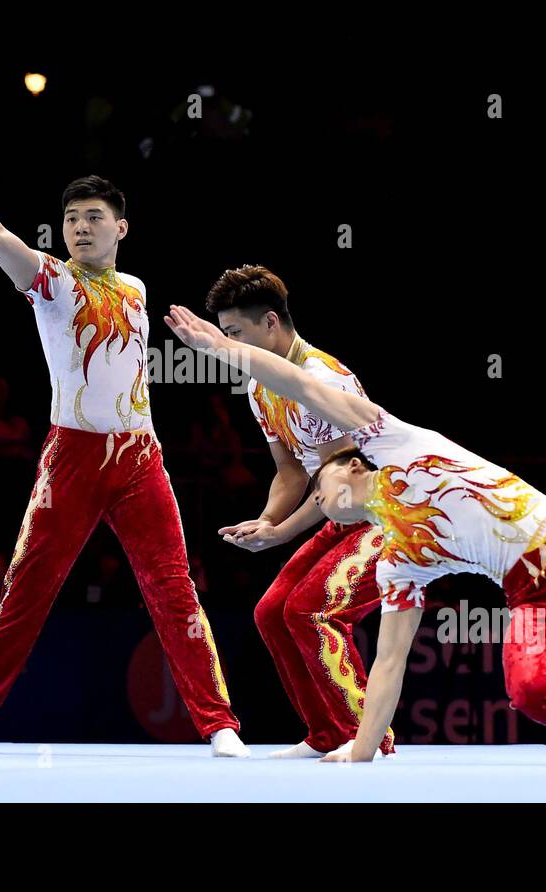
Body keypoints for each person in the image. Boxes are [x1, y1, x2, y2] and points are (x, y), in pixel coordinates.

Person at [162, 303, 546, 765]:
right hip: (532, 596)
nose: (321, 504)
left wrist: (222, 349)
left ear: (354, 469)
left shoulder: (391, 437)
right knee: (529, 692)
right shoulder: (397, 560)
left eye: (323, 492)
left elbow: (299, 381)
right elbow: (387, 664)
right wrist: (360, 752)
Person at [0, 168, 247, 757]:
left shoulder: (137, 289)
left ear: (121, 227)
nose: (80, 227)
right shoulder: (52, 281)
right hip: (71, 458)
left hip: (140, 457)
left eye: (94, 218)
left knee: (174, 588)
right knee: (26, 591)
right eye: (72, 218)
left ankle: (220, 724)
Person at [205, 265, 393, 758]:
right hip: (340, 515)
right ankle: (327, 733)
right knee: (272, 612)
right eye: (225, 337)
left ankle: (370, 738)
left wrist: (283, 531)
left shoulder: (319, 378)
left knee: (313, 611)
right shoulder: (259, 386)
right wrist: (267, 520)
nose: (230, 348)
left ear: (270, 323)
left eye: (235, 335)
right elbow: (290, 472)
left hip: (387, 515)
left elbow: (342, 482)